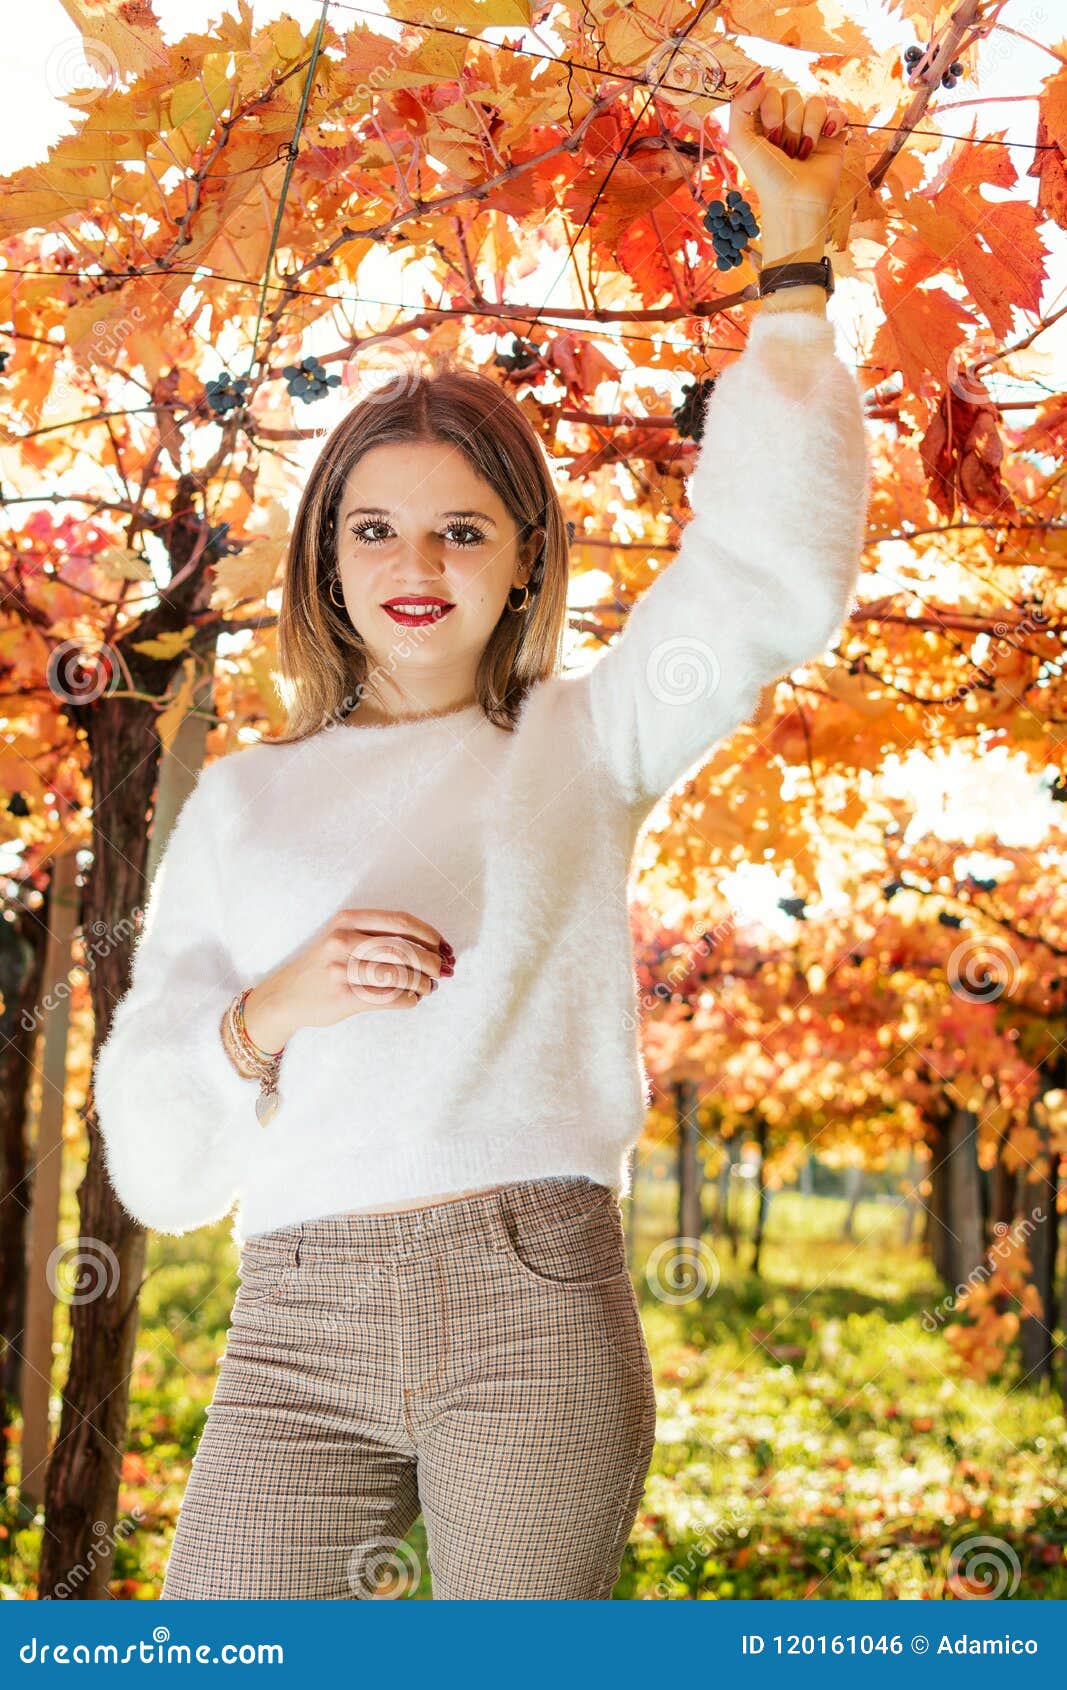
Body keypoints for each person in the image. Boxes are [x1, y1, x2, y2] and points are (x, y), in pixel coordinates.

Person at [91, 69, 870, 1600]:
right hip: (297, 1323)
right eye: (373, 526)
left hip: (532, 1298)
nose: (416, 562)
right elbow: (157, 1157)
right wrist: (273, 1008)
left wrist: (792, 276)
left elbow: (766, 570)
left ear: (523, 558)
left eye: (462, 526)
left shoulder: (589, 740)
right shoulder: (247, 798)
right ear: (325, 555)